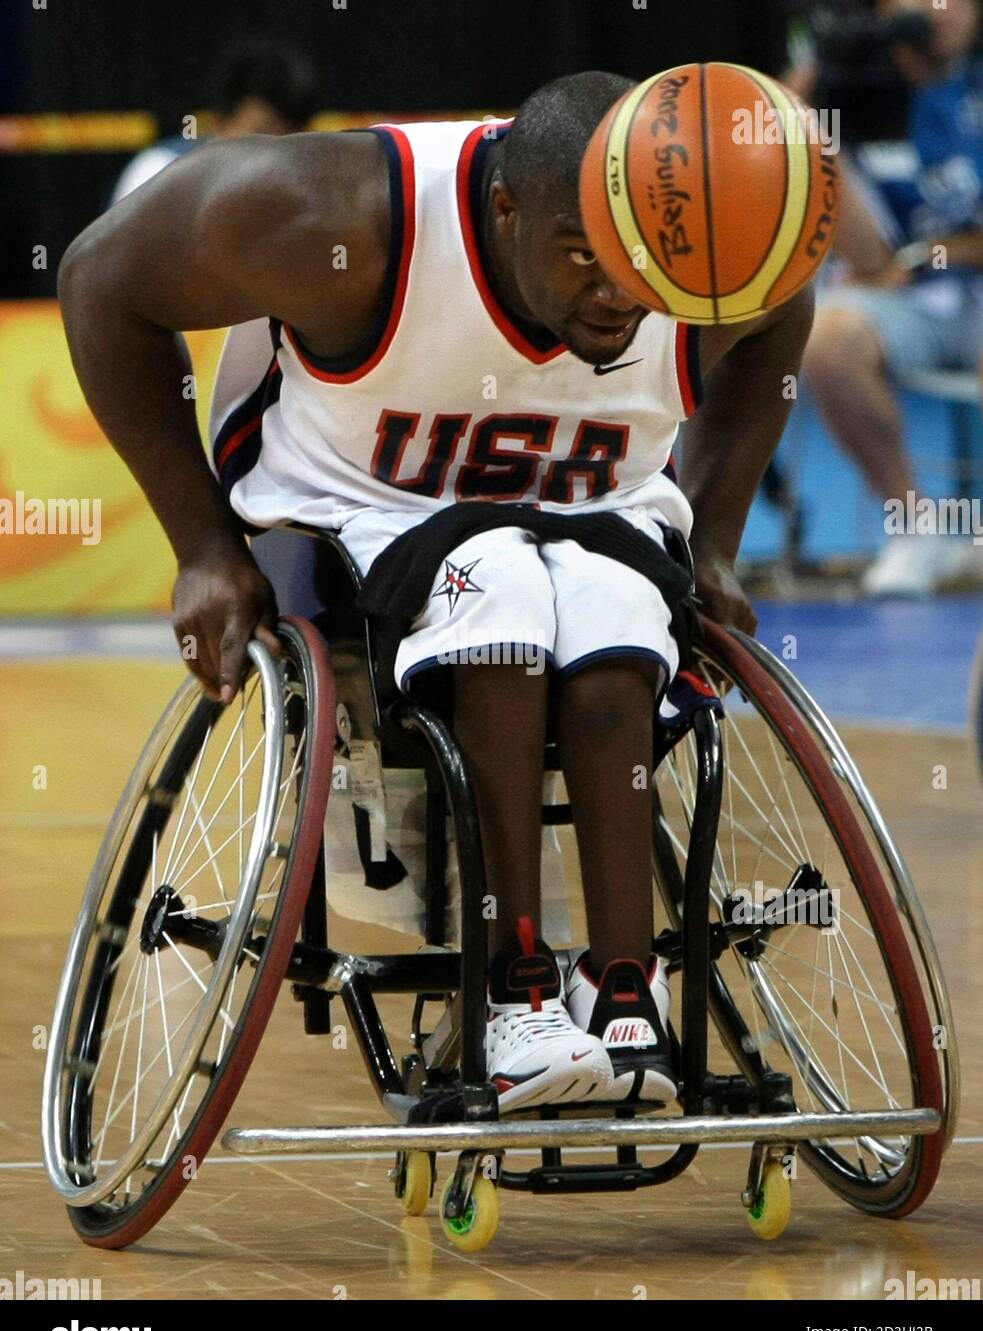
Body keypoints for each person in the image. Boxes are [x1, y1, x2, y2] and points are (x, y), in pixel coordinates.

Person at [58, 72, 813, 1113]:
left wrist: (715, 536)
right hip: (358, 510)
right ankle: (510, 978)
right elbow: (101, 278)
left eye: (641, 262)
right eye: (580, 255)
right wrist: (199, 544)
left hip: (586, 507)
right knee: (497, 586)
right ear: (505, 212)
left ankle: (621, 984)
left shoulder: (705, 248)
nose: (617, 291)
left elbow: (783, 304)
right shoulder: (341, 218)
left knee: (612, 612)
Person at [801, 0, 983, 595]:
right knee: (828, 338)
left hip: (968, 285)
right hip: (911, 300)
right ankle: (917, 527)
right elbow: (762, 130)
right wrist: (817, 70)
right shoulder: (852, 93)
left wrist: (930, 256)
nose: (945, 10)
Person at [110, 36, 320, 204]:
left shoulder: (313, 193)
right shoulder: (157, 174)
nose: (274, 158)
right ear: (220, 123)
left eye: (292, 139)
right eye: (260, 136)